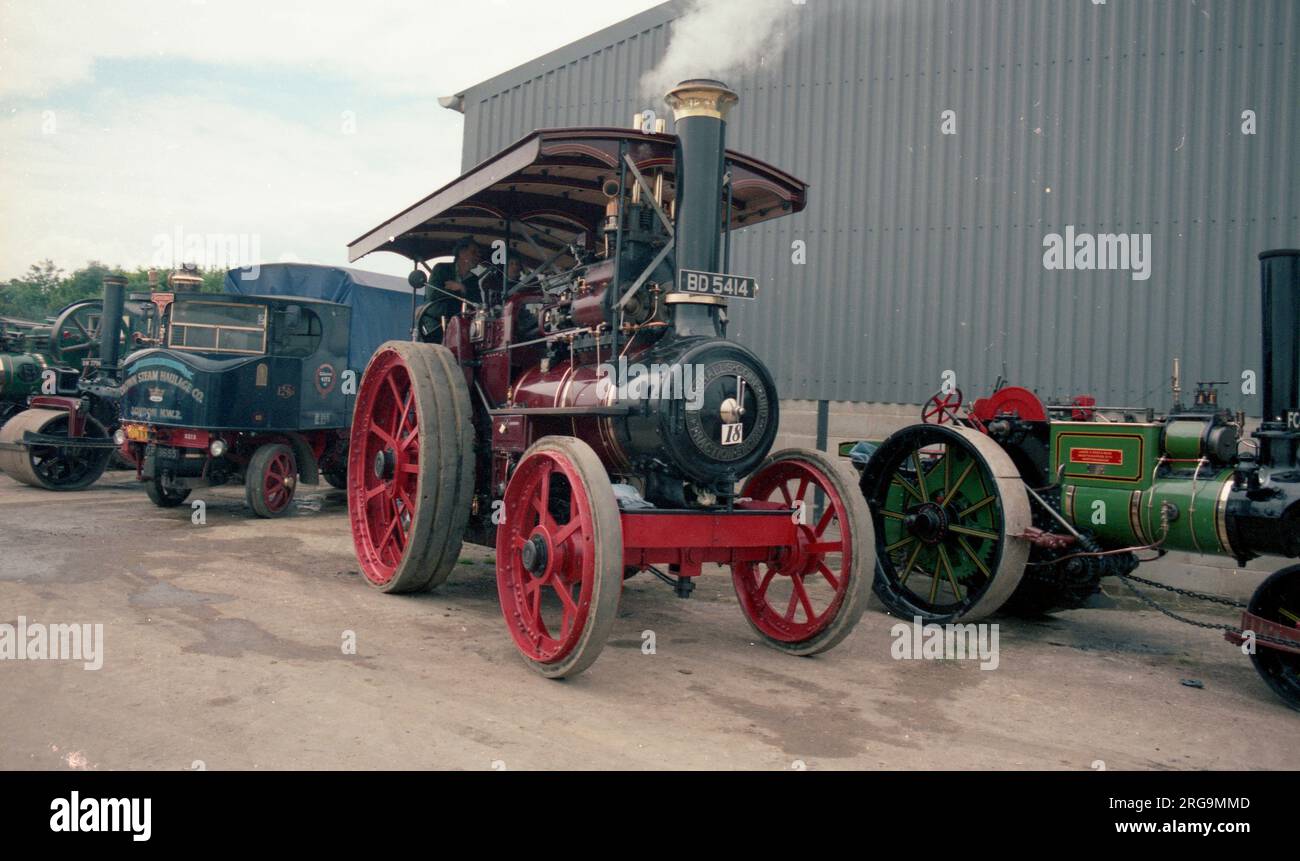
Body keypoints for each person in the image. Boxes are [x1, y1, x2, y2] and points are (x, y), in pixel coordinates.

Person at [424, 237, 485, 342]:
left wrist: (462, 288)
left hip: (461, 328)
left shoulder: (474, 279)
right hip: (436, 325)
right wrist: (457, 293)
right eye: (474, 252)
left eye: (479, 253)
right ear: (461, 253)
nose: (478, 256)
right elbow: (433, 294)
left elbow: (477, 303)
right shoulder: (441, 269)